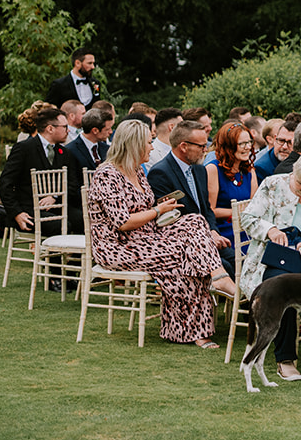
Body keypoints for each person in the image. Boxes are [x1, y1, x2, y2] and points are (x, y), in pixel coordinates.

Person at [88, 120, 237, 349]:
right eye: (149, 143)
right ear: (134, 145)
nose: (152, 147)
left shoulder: (137, 170)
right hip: (117, 247)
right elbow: (122, 222)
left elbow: (145, 209)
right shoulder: (107, 175)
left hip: (146, 237)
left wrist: (161, 208)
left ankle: (217, 279)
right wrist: (158, 210)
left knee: (195, 221)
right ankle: (195, 327)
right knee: (188, 256)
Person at [238, 152, 301, 379]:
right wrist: (271, 230)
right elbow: (247, 218)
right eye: (300, 183)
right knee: (282, 290)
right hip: (273, 259)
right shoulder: (272, 185)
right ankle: (285, 358)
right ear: (293, 172)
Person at [146, 121, 232, 273]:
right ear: (184, 146)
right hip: (183, 246)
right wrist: (204, 237)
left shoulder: (199, 169)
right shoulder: (160, 173)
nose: (205, 150)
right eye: (201, 146)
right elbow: (170, 221)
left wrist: (213, 231)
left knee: (239, 261)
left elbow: (206, 209)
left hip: (206, 238)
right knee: (225, 267)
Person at [0, 105, 74, 234]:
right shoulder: (24, 149)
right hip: (29, 209)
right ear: (50, 129)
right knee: (61, 225)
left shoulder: (64, 153)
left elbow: (72, 183)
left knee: (83, 219)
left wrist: (54, 197)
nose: (68, 131)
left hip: (57, 206)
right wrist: (17, 213)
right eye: (65, 127)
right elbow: (5, 183)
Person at [207, 120, 257, 250]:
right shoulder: (213, 169)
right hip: (224, 231)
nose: (248, 147)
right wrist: (238, 211)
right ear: (229, 146)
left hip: (246, 228)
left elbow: (254, 205)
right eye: (242, 144)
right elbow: (210, 210)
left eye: (249, 142)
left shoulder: (249, 171)